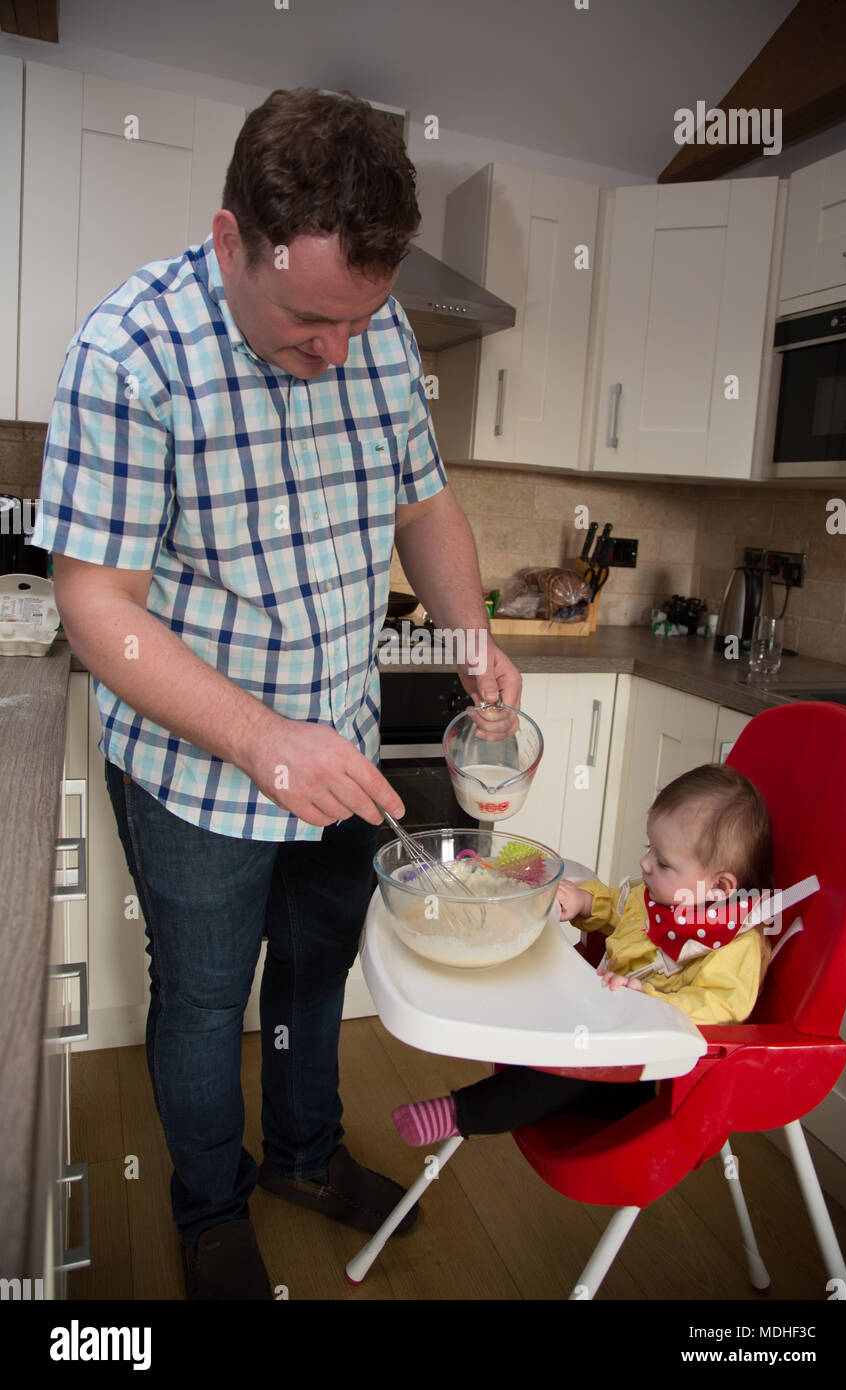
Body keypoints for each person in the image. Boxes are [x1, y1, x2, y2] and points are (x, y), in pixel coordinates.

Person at [31, 87, 521, 1300]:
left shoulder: (381, 328)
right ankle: (207, 1211)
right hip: (199, 768)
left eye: (359, 320)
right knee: (202, 1000)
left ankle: (301, 1157)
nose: (337, 350)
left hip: (341, 755)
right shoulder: (127, 353)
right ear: (227, 241)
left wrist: (469, 635)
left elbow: (423, 499)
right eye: (308, 318)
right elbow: (95, 604)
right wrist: (259, 739)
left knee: (311, 974)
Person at [393, 763, 774, 1145]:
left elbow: (721, 1006)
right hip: (599, 1025)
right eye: (649, 849)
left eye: (662, 862)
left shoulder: (734, 944)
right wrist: (585, 902)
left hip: (642, 1072)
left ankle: (460, 1113)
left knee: (559, 1075)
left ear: (722, 887)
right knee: (534, 996)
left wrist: (653, 1000)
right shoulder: (660, 897)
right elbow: (622, 913)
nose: (644, 864)